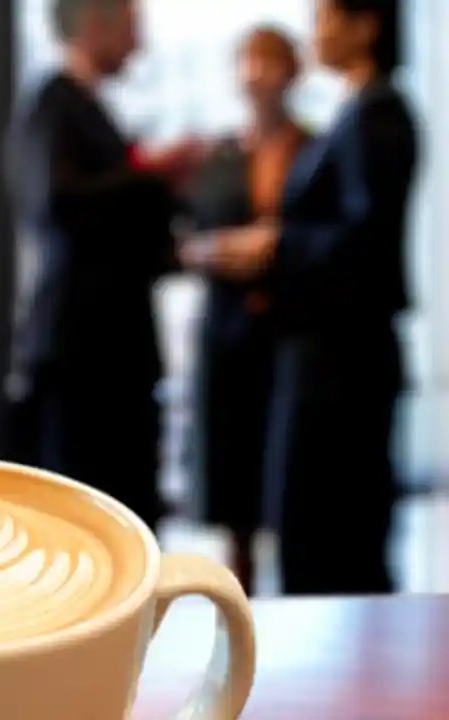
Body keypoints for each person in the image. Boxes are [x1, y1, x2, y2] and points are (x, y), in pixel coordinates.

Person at [203, 0, 417, 595]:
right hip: (319, 355)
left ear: (365, 25)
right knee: (308, 533)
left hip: (342, 361)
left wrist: (275, 246)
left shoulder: (378, 115)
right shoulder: (356, 112)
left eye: (324, 18)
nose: (314, 32)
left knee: (332, 537)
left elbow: (365, 239)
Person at [5, 0, 200, 529]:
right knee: (84, 519)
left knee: (126, 512)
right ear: (97, 26)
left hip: (113, 352)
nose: (138, 47)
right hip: (81, 351)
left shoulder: (88, 109)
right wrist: (150, 175)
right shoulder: (52, 103)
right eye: (132, 31)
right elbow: (61, 202)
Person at [180, 27, 310, 593]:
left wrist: (265, 247)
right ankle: (242, 606)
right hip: (227, 335)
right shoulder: (220, 155)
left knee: (290, 477)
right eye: (249, 61)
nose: (258, 74)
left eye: (270, 61)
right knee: (233, 487)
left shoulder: (312, 148)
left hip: (288, 333)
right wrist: (246, 248)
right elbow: (192, 242)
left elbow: (301, 238)